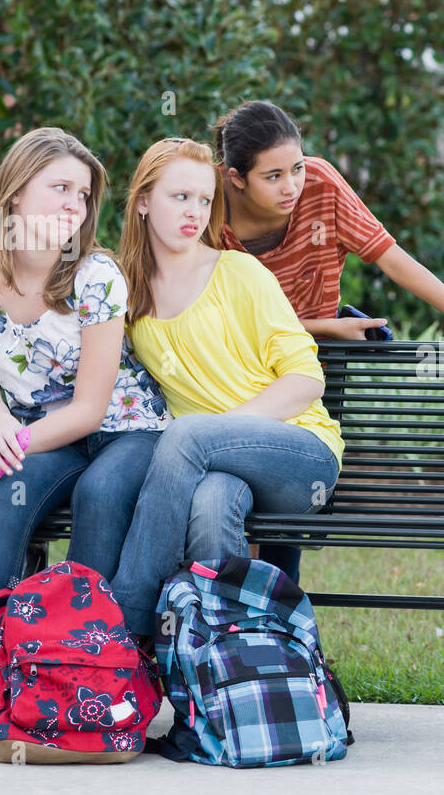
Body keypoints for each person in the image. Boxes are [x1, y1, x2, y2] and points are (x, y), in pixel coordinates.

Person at [0, 128, 169, 746]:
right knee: (3, 498)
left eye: (83, 195)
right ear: (13, 193)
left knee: (102, 494)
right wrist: (2, 434)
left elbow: (90, 407)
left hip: (126, 430)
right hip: (40, 434)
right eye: (60, 188)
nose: (75, 206)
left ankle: (80, 682)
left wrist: (6, 442)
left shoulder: (95, 275)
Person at [110, 137, 343, 638]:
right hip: (214, 468)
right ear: (144, 201)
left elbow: (306, 379)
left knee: (188, 434)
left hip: (301, 454)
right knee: (214, 502)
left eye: (203, 199)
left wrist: (221, 431)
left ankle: (123, 629)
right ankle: (222, 670)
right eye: (180, 197)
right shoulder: (126, 295)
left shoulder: (238, 272)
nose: (195, 211)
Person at [213, 100, 444, 356]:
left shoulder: (320, 185)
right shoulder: (205, 201)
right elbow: (204, 317)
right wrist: (324, 327)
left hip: (309, 367)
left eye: (297, 168)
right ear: (236, 178)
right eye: (274, 176)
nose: (292, 187)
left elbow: (392, 259)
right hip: (229, 365)